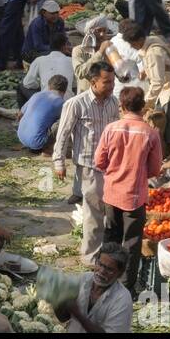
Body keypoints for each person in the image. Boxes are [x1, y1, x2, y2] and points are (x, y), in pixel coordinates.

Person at [95, 87, 162, 291]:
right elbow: (154, 169)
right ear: (143, 107)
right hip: (134, 197)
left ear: (121, 106)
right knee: (131, 244)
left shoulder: (111, 129)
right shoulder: (150, 133)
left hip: (112, 193)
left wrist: (115, 170)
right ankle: (125, 287)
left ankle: (102, 279)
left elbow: (99, 161)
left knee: (110, 238)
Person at [53, 62, 119, 264]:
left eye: (113, 82)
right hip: (89, 165)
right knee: (92, 211)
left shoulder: (113, 102)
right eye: (106, 82)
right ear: (93, 82)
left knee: (108, 210)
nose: (111, 86)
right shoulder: (76, 103)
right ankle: (90, 256)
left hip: (110, 165)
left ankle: (104, 249)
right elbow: (63, 134)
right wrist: (59, 162)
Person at [55, 243, 134, 333]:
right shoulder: (83, 280)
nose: (102, 271)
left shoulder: (122, 300)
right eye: (100, 264)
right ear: (96, 261)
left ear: (120, 274)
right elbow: (63, 318)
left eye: (109, 269)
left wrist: (78, 314)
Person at [18, 74, 69, 154]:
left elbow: (20, 114)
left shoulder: (36, 95)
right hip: (38, 143)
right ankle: (48, 150)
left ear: (49, 87)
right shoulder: (62, 103)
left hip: (21, 137)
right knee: (65, 120)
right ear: (65, 90)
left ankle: (32, 140)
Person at [20, 32, 73, 106]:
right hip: (68, 102)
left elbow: (28, 83)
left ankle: (24, 112)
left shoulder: (39, 60)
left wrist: (39, 86)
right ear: (64, 46)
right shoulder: (71, 60)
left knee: (22, 86)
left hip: (46, 102)